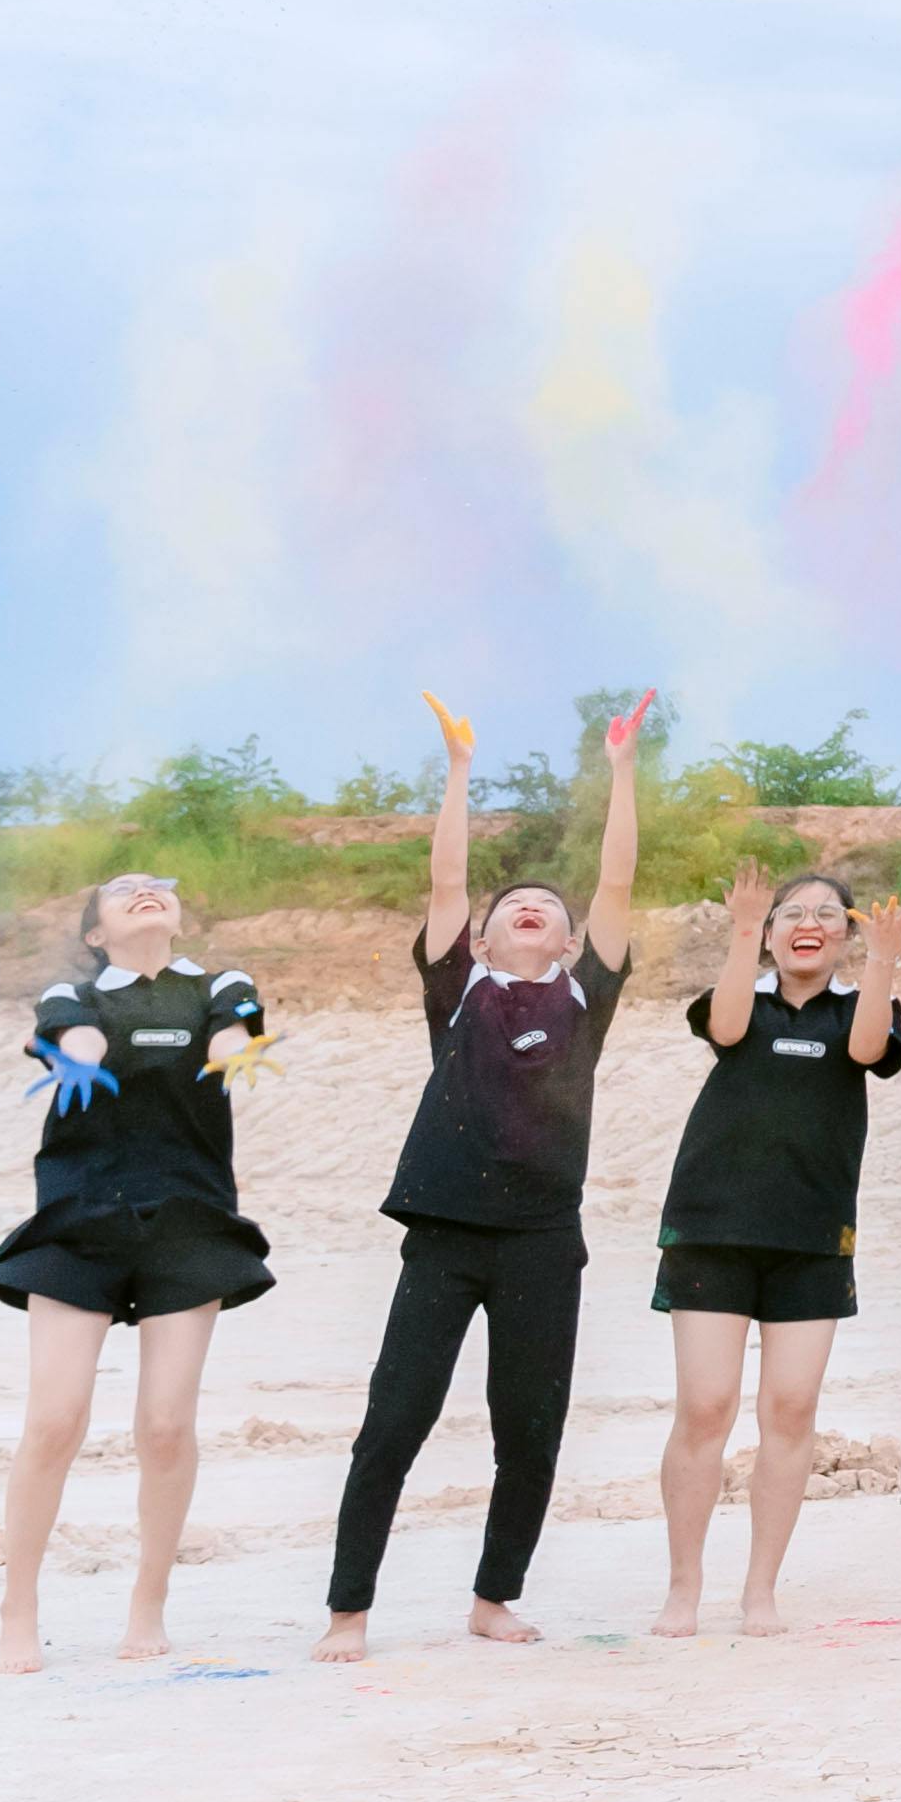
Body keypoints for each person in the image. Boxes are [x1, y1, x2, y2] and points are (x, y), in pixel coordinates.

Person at [321, 692, 645, 1656]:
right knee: (395, 1422)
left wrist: (622, 773)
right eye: (510, 908)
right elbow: (448, 878)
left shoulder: (586, 997)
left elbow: (619, 883)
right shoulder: (458, 988)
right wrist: (460, 771)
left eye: (546, 906)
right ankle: (349, 1610)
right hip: (446, 1232)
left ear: (571, 939)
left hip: (546, 1239)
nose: (528, 907)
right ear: (484, 937)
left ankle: (493, 1599)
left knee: (531, 1431)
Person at [0, 865, 277, 1669]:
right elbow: (68, 1035)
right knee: (54, 1422)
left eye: (158, 885)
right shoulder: (74, 995)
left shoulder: (220, 983)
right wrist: (77, 1056)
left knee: (164, 1425)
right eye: (123, 890)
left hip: (187, 1224)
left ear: (178, 916)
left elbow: (232, 1029)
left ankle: (147, 1605)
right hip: (81, 1222)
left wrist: (233, 1052)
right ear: (94, 933)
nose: (146, 891)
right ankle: (19, 1610)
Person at [648, 859, 901, 1637]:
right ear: (768, 933)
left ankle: (760, 1589)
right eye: (793, 913)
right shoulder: (740, 996)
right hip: (711, 1228)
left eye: (830, 915)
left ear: (845, 936)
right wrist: (739, 932)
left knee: (790, 1411)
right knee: (705, 1406)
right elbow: (725, 1030)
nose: (811, 924)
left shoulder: (862, 1007)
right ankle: (683, 1587)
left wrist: (884, 960)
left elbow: (870, 1053)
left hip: (812, 1236)